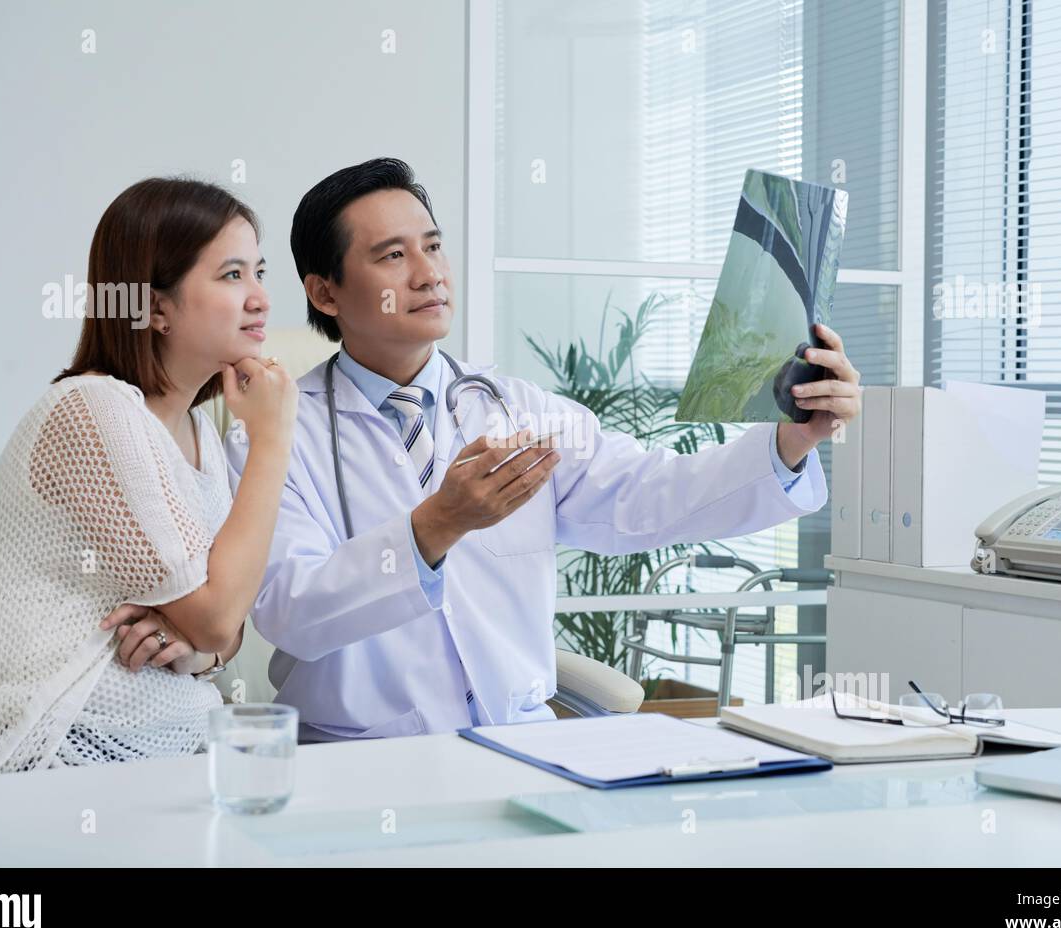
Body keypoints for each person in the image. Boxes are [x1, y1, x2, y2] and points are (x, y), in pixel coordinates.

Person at [225, 157, 861, 742]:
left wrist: (789, 441)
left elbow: (648, 496)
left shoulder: (516, 408)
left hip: (517, 747)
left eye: (434, 246)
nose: (429, 274)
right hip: (364, 762)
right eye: (393, 255)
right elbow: (291, 611)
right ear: (325, 293)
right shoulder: (276, 434)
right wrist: (436, 525)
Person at [0, 177, 297, 780]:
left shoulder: (199, 437)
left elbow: (226, 629)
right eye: (231, 275)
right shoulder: (94, 408)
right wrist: (272, 439)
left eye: (260, 272)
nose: (261, 299)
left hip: (150, 750)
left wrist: (195, 650)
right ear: (155, 308)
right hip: (32, 750)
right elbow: (221, 612)